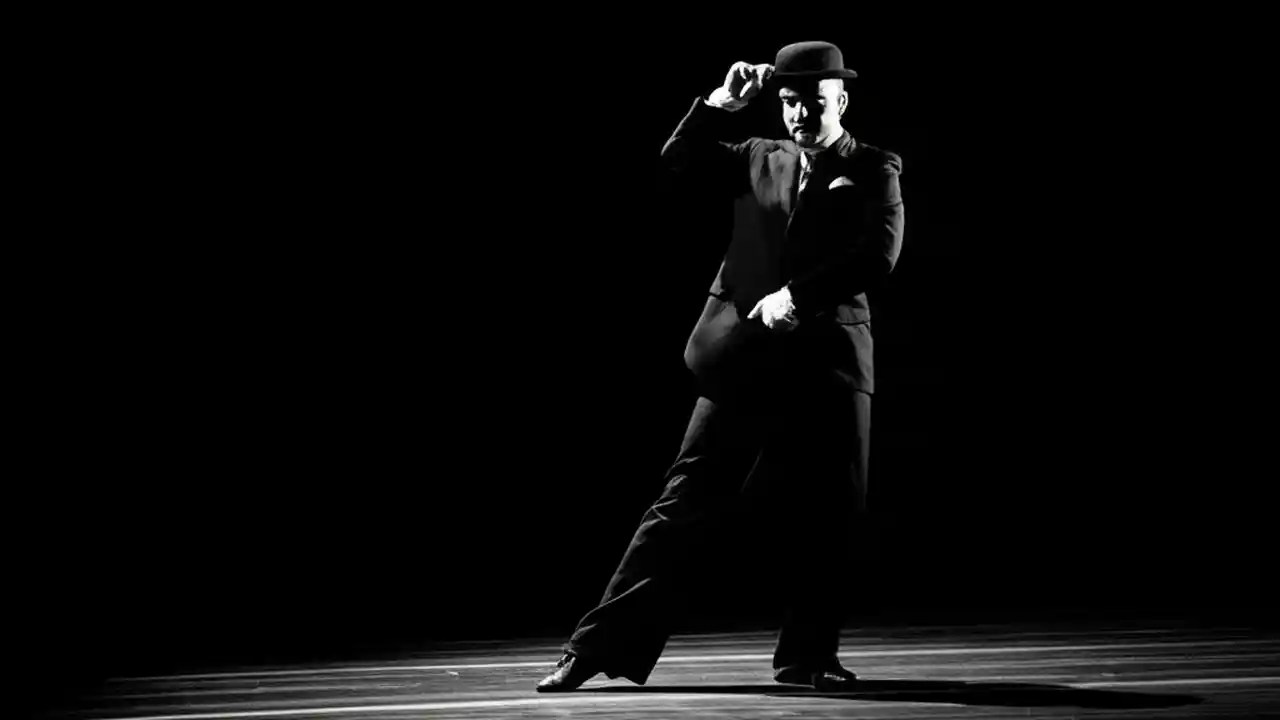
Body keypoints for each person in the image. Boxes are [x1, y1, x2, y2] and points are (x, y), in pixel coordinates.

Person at [536, 40, 905, 693]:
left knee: (830, 509)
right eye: (788, 103)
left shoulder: (873, 167)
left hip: (830, 361)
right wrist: (716, 105)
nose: (798, 115)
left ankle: (807, 657)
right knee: (685, 500)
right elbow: (676, 162)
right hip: (744, 356)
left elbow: (877, 255)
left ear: (840, 100)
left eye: (812, 103)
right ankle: (593, 649)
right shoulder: (756, 157)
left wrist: (798, 296)